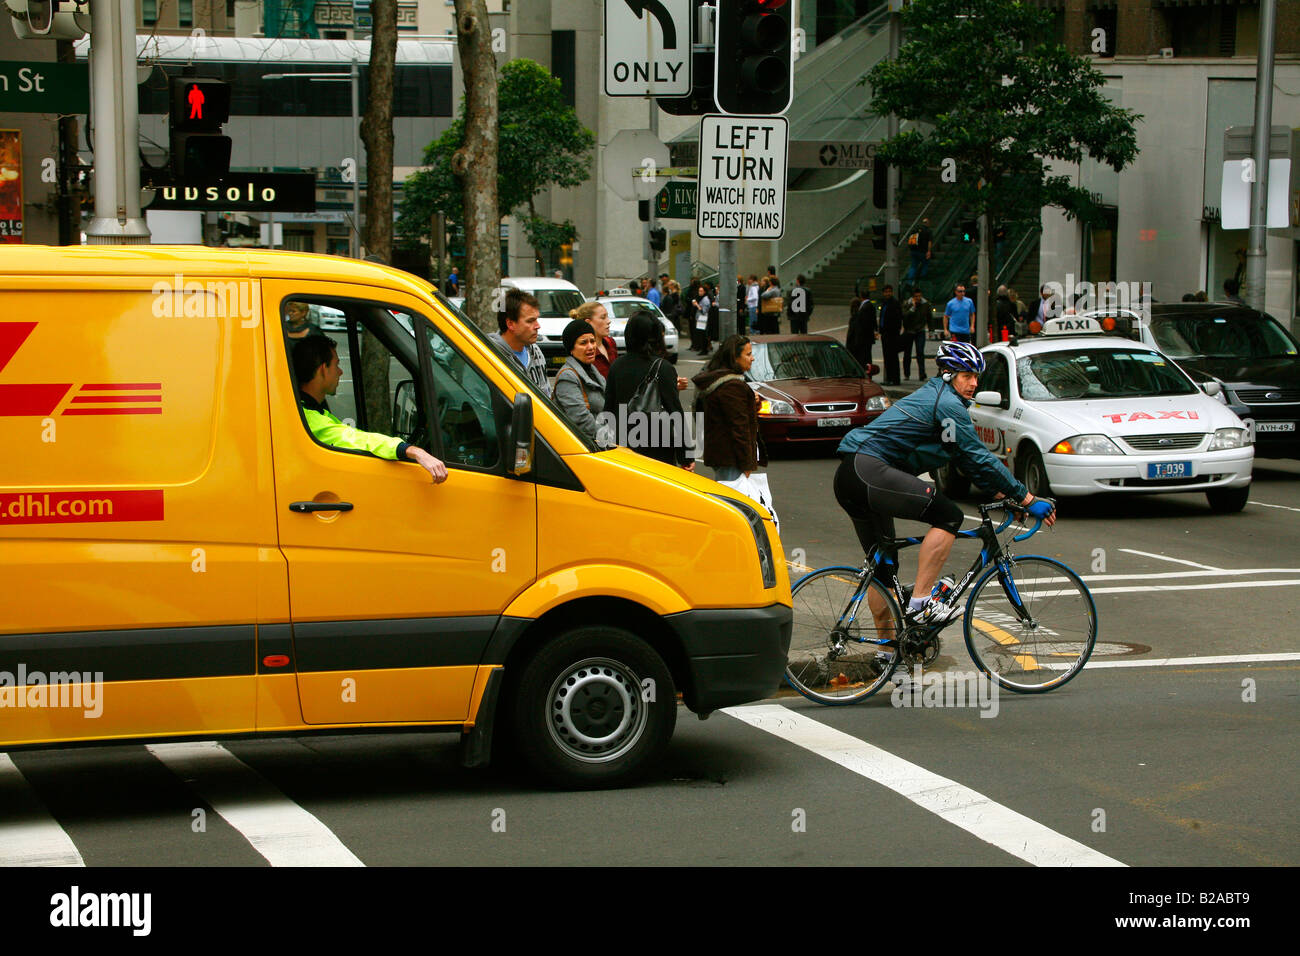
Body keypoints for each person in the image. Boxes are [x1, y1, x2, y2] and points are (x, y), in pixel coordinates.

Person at [835, 341, 1055, 628]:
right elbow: (979, 456)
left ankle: (886, 655)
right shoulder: (947, 403)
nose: (974, 383)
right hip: (869, 471)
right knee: (949, 515)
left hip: (851, 476)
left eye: (977, 377)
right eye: (967, 376)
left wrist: (1006, 496)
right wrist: (1026, 497)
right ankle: (921, 604)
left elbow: (968, 462)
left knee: (883, 569)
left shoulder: (937, 399)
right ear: (948, 374)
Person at [293, 335, 448, 483]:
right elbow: (354, 439)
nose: (340, 372)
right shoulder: (307, 417)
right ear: (323, 370)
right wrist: (413, 451)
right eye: (336, 364)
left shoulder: (307, 408)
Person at [607, 312, 694, 470]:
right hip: (656, 445)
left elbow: (609, 409)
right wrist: (686, 455)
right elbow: (675, 413)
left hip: (624, 446)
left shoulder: (616, 366)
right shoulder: (663, 367)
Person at [692, 335, 764, 482]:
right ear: (735, 357)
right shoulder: (731, 386)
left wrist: (751, 401)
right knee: (733, 499)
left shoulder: (721, 381)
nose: (752, 358)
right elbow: (739, 427)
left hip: (724, 455)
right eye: (748, 354)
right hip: (731, 458)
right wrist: (747, 464)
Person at [553, 318, 611, 447]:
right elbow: (581, 420)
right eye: (583, 343)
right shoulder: (567, 377)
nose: (590, 347)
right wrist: (611, 438)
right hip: (584, 448)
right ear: (571, 349)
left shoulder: (591, 369)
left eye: (592, 341)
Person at [488, 287, 550, 396]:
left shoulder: (535, 351)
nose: (537, 326)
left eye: (537, 319)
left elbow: (547, 394)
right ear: (510, 324)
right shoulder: (491, 356)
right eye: (530, 321)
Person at [569, 300, 618, 380]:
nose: (609, 321)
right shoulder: (584, 350)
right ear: (588, 322)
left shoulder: (610, 343)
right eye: (603, 317)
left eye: (607, 316)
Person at [902, 288, 931, 380]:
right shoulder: (908, 303)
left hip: (920, 330)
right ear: (913, 297)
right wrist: (912, 308)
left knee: (920, 352)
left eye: (919, 296)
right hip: (909, 331)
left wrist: (931, 330)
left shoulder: (925, 304)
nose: (918, 298)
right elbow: (905, 316)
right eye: (916, 297)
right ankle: (907, 374)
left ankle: (922, 374)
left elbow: (929, 317)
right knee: (907, 353)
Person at [879, 284, 903, 385]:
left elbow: (898, 319)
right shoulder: (884, 303)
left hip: (892, 334)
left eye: (889, 292)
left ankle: (894, 379)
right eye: (886, 292)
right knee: (887, 357)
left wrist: (895, 332)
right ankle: (889, 378)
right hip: (885, 334)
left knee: (892, 357)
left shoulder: (894, 303)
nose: (887, 294)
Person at [847, 293, 877, 374]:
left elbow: (853, 333)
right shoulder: (864, 311)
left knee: (860, 361)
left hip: (857, 343)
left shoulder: (856, 317)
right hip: (864, 341)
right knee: (866, 358)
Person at [903, 216, 933, 286]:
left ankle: (909, 282)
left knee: (913, 266)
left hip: (913, 251)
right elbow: (929, 242)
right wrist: (929, 251)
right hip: (923, 252)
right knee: (925, 265)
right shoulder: (928, 231)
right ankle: (921, 281)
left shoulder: (915, 229)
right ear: (928, 223)